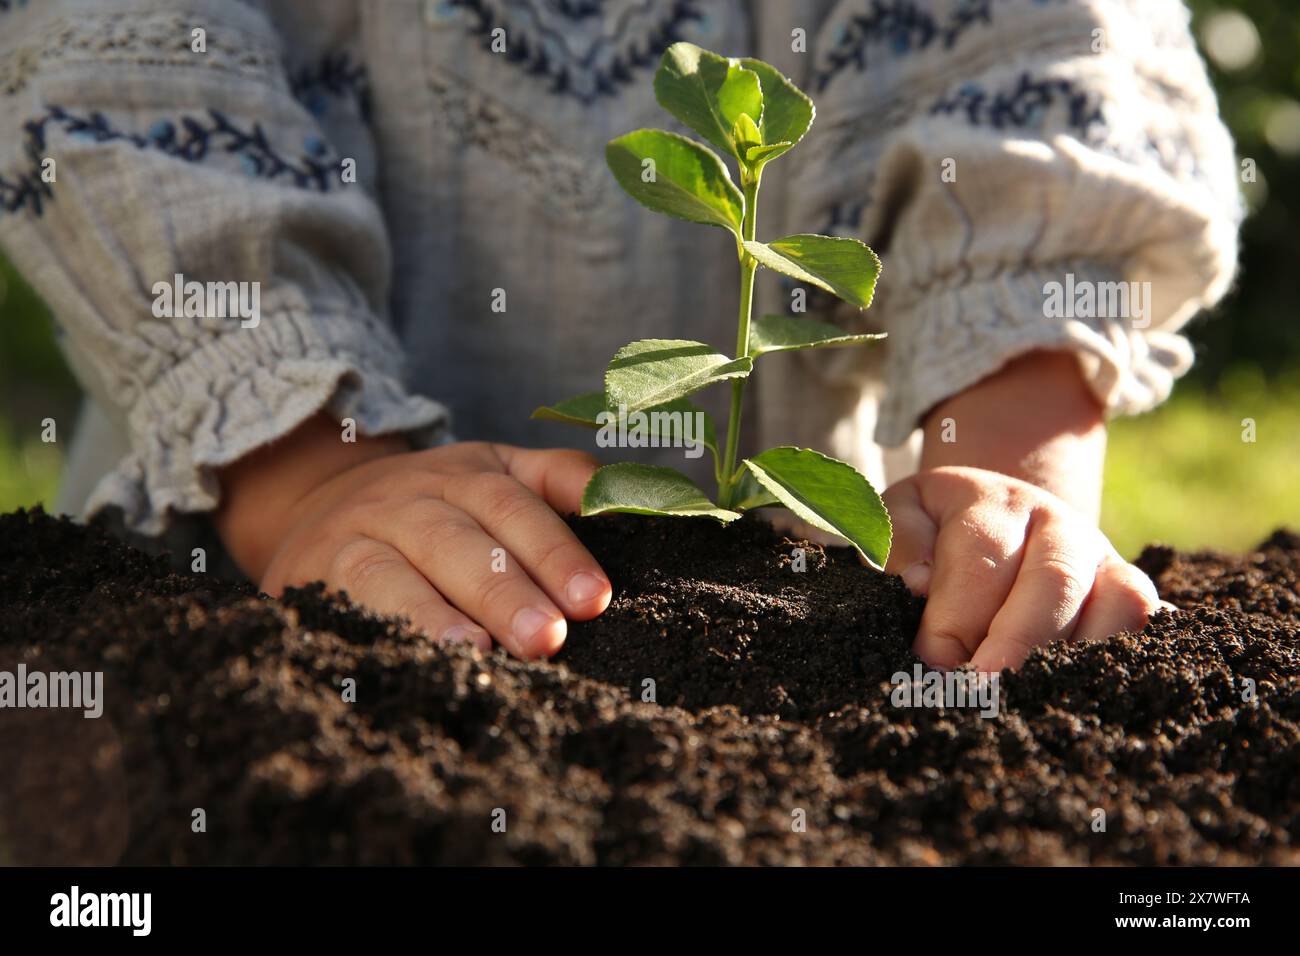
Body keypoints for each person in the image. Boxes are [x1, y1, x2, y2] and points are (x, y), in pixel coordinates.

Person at [0, 0, 1240, 670]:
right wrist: (308, 473)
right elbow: (114, 93)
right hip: (242, 534)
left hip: (815, 590)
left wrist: (1007, 482)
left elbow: (1036, 71)